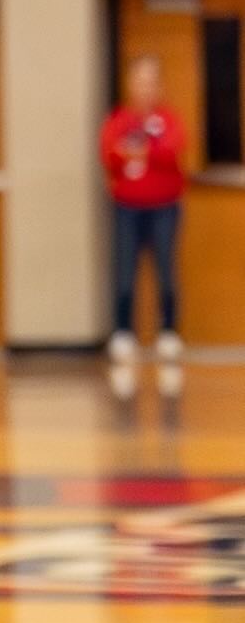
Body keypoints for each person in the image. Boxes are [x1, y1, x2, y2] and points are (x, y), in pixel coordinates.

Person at [101, 52, 189, 389]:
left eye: (151, 81)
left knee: (166, 268)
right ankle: (124, 332)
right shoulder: (120, 119)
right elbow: (110, 152)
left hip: (165, 206)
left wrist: (143, 152)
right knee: (125, 270)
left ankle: (168, 332)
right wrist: (134, 152)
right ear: (130, 84)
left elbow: (172, 150)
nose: (145, 87)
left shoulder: (169, 119)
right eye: (139, 80)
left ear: (159, 85)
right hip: (127, 207)